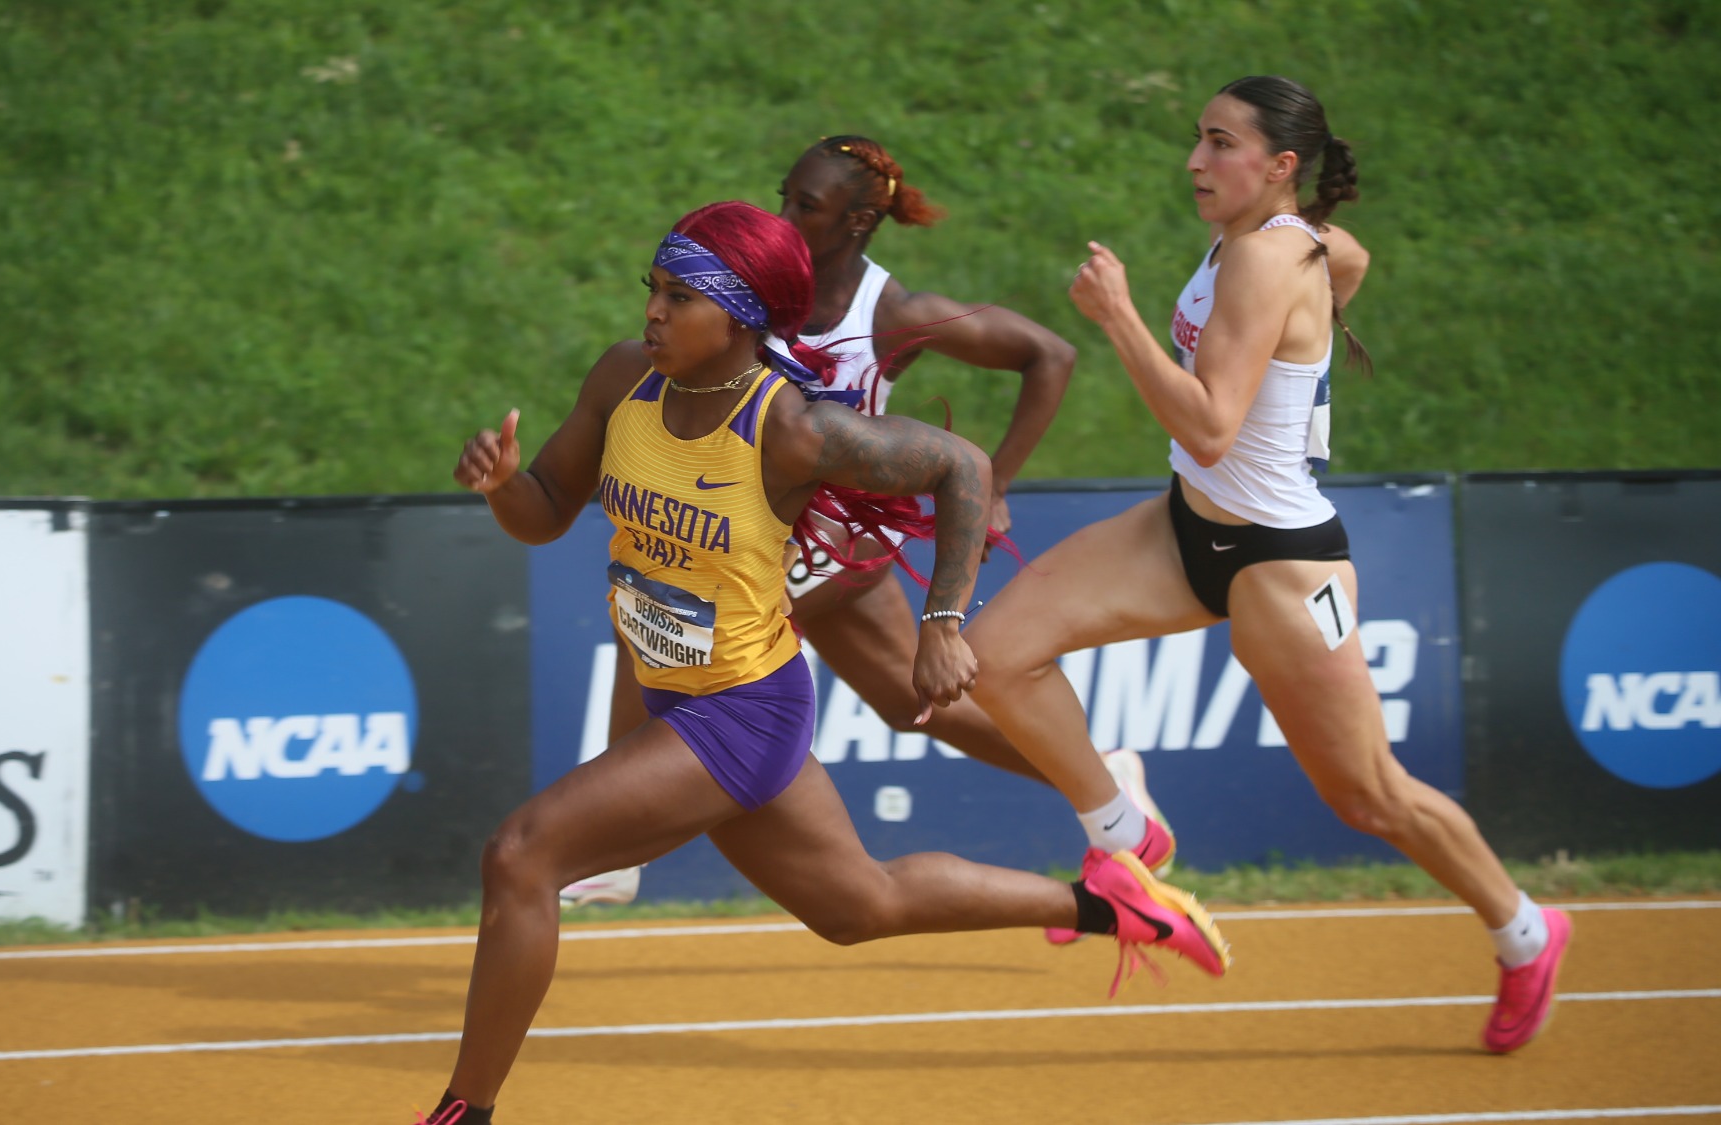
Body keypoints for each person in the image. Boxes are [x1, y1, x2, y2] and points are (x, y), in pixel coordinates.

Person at [418, 201, 1230, 1125]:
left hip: (739, 717)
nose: (651, 311)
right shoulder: (622, 380)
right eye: (651, 288)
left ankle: (461, 1114)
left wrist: (943, 623)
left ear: (737, 315)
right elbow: (545, 509)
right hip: (682, 697)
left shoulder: (791, 429)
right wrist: (499, 486)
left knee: (522, 856)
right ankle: (1115, 907)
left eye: (676, 296)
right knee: (860, 903)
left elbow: (960, 466)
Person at [963, 76, 1570, 1054]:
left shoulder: (1265, 256)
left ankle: (1526, 933)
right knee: (993, 656)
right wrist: (1309, 314)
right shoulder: (1278, 243)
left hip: (1282, 565)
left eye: (1218, 143)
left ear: (1279, 166)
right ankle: (1126, 839)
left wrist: (1115, 315)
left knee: (1369, 794)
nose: (1195, 161)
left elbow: (1207, 428)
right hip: (1182, 532)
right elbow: (1346, 259)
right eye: (1195, 140)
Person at [561, 136, 1176, 912]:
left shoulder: (890, 313)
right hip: (761, 524)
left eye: (805, 207)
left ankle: (616, 853)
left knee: (658, 610)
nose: (783, 216)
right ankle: (1104, 782)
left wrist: (998, 486)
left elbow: (1047, 355)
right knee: (906, 704)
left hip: (830, 536)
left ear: (856, 223)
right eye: (782, 195)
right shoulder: (748, 290)